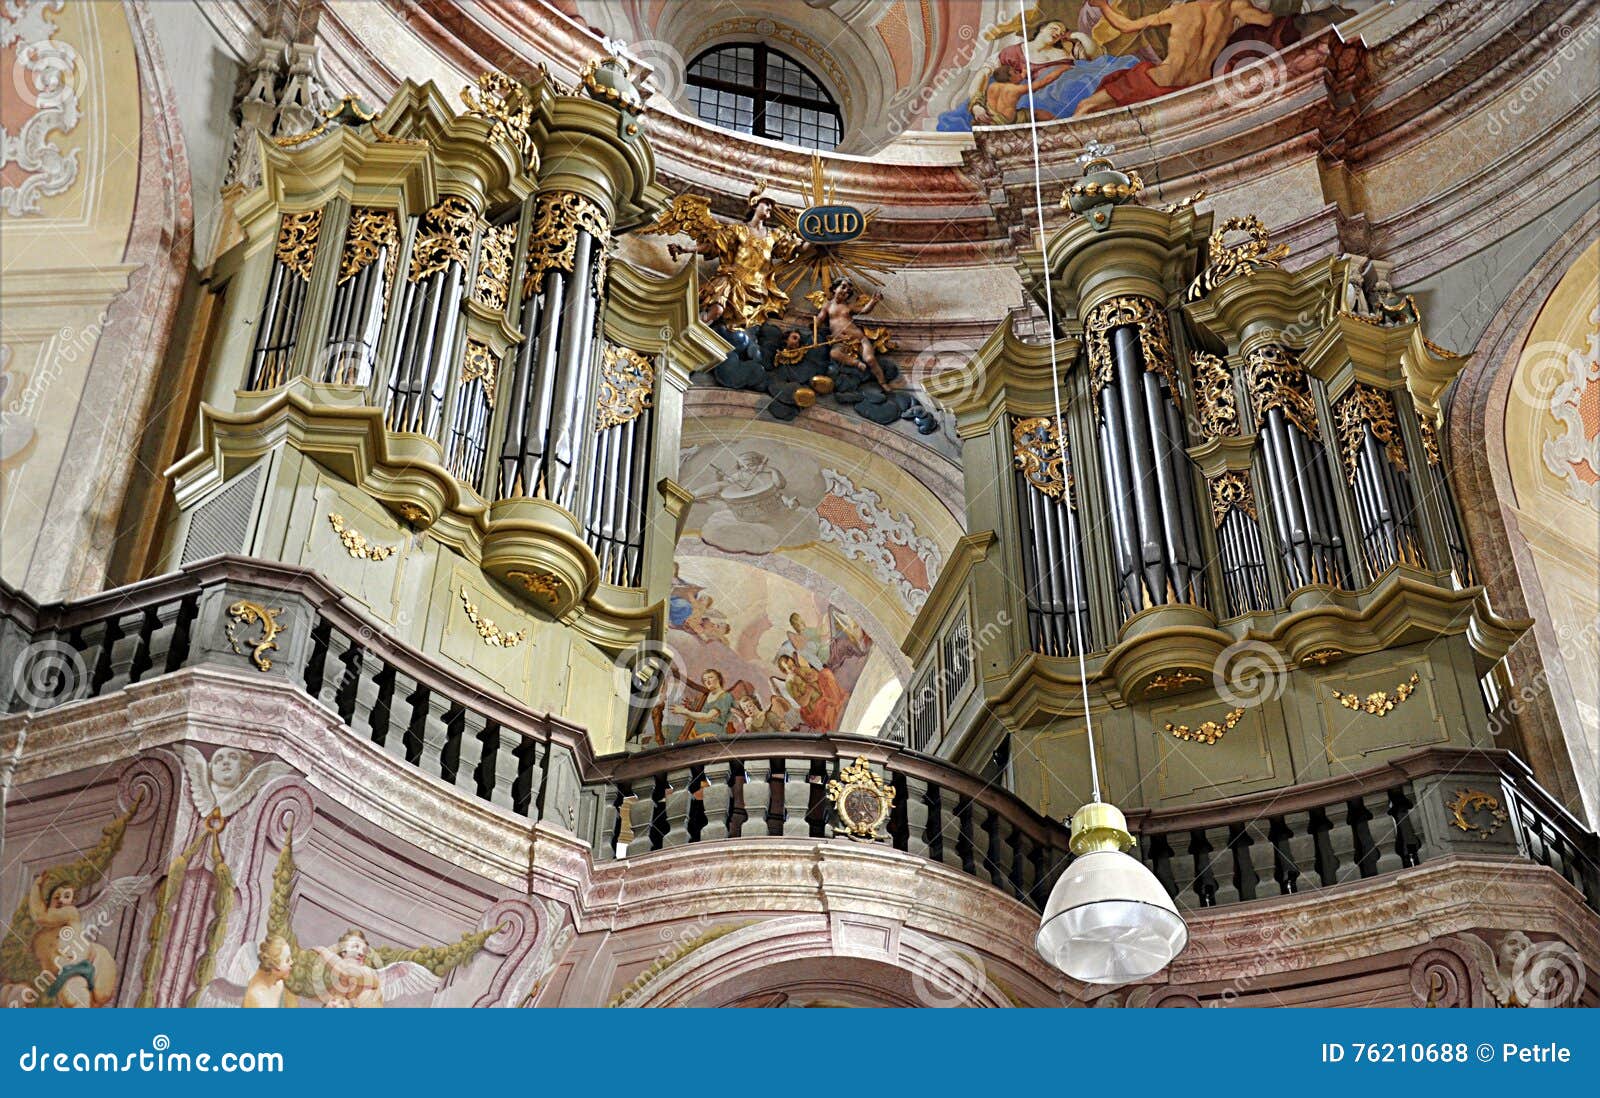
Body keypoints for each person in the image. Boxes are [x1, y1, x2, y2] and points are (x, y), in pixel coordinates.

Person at [1073, 0, 1275, 116]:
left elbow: (1126, 26)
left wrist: (1103, 6)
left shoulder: (1183, 11)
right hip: (1200, 84)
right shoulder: (1236, 7)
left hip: (1159, 80)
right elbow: (1268, 20)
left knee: (1086, 106)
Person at [28, 878, 119, 1007]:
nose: (61, 900)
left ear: (72, 901)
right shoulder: (41, 936)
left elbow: (39, 915)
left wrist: (37, 885)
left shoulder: (71, 913)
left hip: (76, 973)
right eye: (56, 897)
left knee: (77, 997)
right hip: (60, 980)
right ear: (48, 902)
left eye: (66, 896)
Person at [815, 277, 891, 390]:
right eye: (843, 287)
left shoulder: (848, 306)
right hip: (841, 341)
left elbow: (865, 310)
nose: (846, 291)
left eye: (849, 291)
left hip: (860, 339)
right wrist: (815, 325)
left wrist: (873, 301)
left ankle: (883, 382)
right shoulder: (827, 306)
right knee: (834, 354)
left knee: (870, 359)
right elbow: (820, 319)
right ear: (835, 288)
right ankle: (856, 363)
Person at [670, 669, 738, 739]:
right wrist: (691, 707)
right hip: (693, 734)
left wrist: (685, 711)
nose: (707, 681)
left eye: (710, 678)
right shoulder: (705, 696)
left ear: (719, 679)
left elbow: (708, 717)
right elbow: (701, 712)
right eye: (705, 680)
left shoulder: (725, 696)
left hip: (712, 736)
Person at [243, 935, 298, 1008]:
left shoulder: (280, 983)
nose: (292, 962)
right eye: (287, 960)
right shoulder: (257, 995)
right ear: (274, 966)